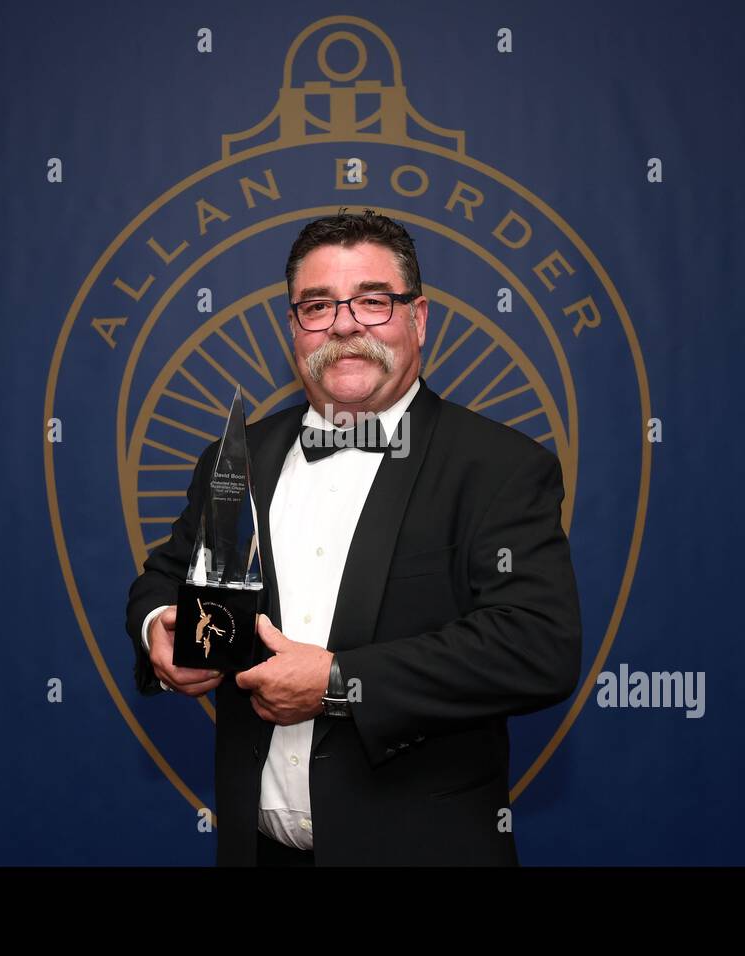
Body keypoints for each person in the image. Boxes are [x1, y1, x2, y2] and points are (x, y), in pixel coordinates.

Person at [125, 208, 582, 866]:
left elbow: (537, 647)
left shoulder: (499, 467)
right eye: (317, 305)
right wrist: (161, 626)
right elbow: (164, 576)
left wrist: (340, 681)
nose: (343, 324)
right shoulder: (238, 457)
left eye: (372, 301)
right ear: (294, 327)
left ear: (418, 318)